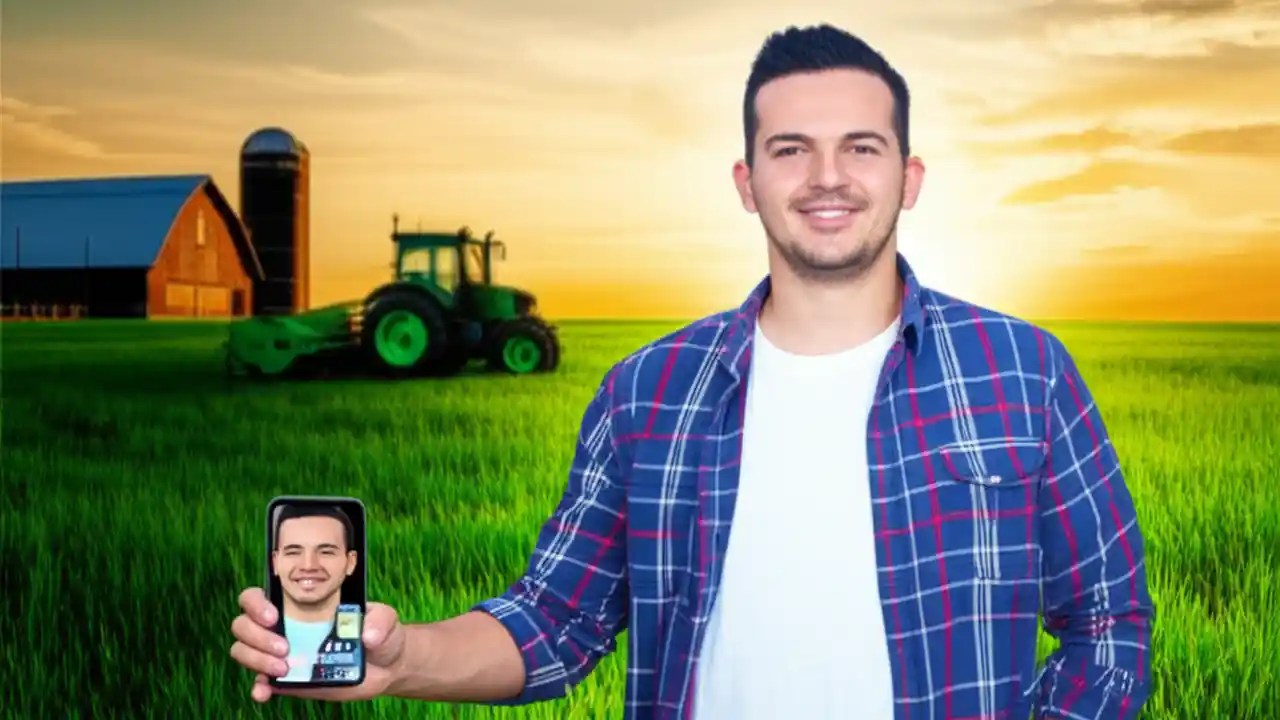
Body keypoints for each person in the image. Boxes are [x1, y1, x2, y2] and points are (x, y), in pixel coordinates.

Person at [230, 23, 1155, 719]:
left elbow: (1108, 625)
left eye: (860, 147)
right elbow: (556, 618)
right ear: (747, 181)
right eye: (790, 148)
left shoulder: (1023, 374)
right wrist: (403, 658)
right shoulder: (646, 393)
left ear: (908, 178)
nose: (826, 177)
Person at [268, 504, 361, 683]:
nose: (309, 565)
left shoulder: (366, 636)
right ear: (275, 562)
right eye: (293, 552)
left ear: (350, 562)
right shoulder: (258, 636)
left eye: (326, 552)